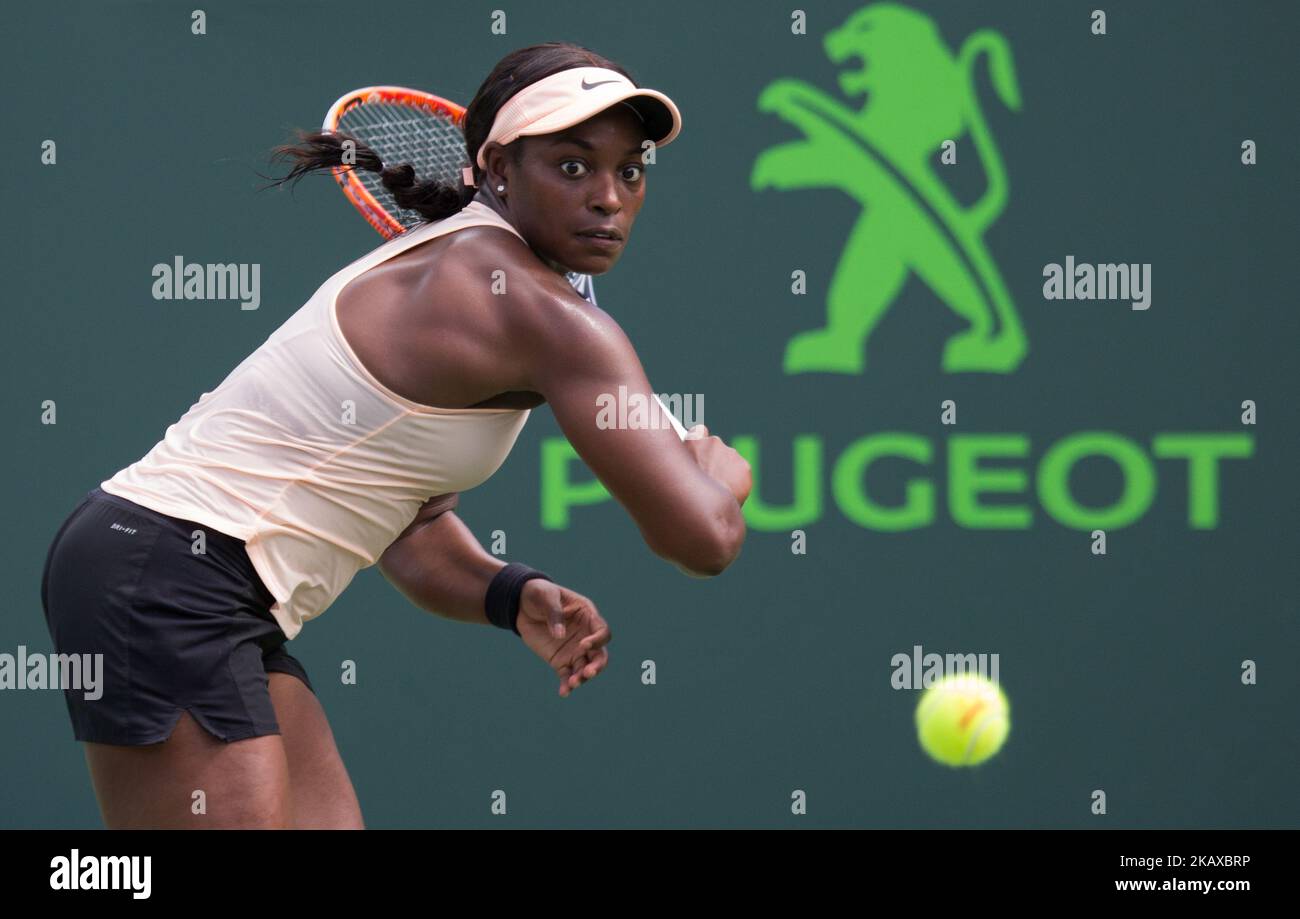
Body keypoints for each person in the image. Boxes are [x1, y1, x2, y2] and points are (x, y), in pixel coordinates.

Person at [40, 41, 751, 830]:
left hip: (182, 574)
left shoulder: (482, 270)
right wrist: (721, 476)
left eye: (631, 170)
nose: (610, 197)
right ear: (497, 169)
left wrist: (506, 593)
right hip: (171, 574)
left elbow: (407, 530)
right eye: (574, 166)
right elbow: (702, 539)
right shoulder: (538, 310)